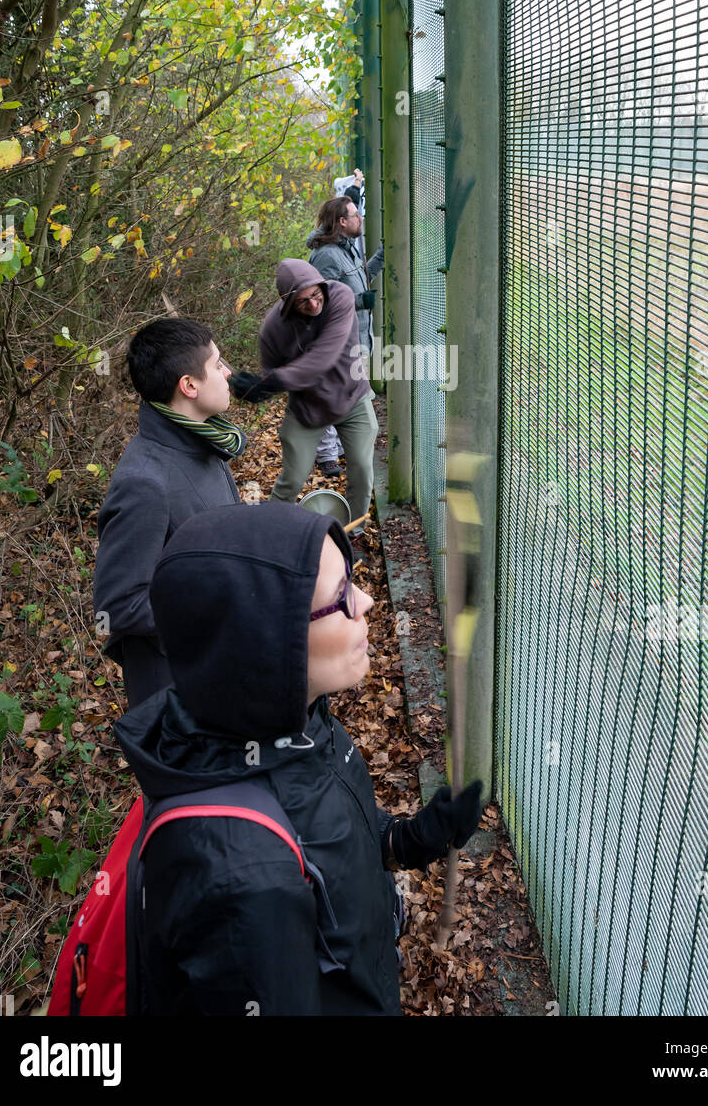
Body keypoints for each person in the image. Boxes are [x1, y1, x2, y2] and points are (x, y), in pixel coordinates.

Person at [114, 501, 483, 1015]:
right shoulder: (240, 876)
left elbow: (330, 847)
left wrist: (412, 839)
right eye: (341, 597)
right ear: (267, 638)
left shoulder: (295, 724)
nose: (369, 600)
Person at [93, 317, 244, 708]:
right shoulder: (145, 482)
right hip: (180, 692)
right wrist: (221, 607)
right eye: (217, 364)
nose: (228, 373)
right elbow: (120, 605)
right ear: (189, 385)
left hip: (219, 667)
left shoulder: (200, 442)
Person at [230, 260, 378, 546]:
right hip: (308, 408)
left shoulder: (340, 297)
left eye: (315, 295)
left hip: (352, 399)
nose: (312, 304)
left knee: (361, 466)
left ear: (322, 287)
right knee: (293, 476)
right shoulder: (273, 329)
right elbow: (270, 371)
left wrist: (275, 381)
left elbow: (324, 356)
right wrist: (259, 387)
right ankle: (271, 533)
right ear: (288, 304)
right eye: (302, 301)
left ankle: (354, 533)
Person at [307, 192, 384, 478]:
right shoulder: (325, 256)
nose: (360, 218)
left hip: (358, 338)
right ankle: (326, 457)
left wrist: (381, 257)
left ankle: (337, 449)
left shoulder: (348, 247)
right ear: (342, 221)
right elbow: (317, 300)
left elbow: (360, 278)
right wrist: (359, 301)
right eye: (355, 215)